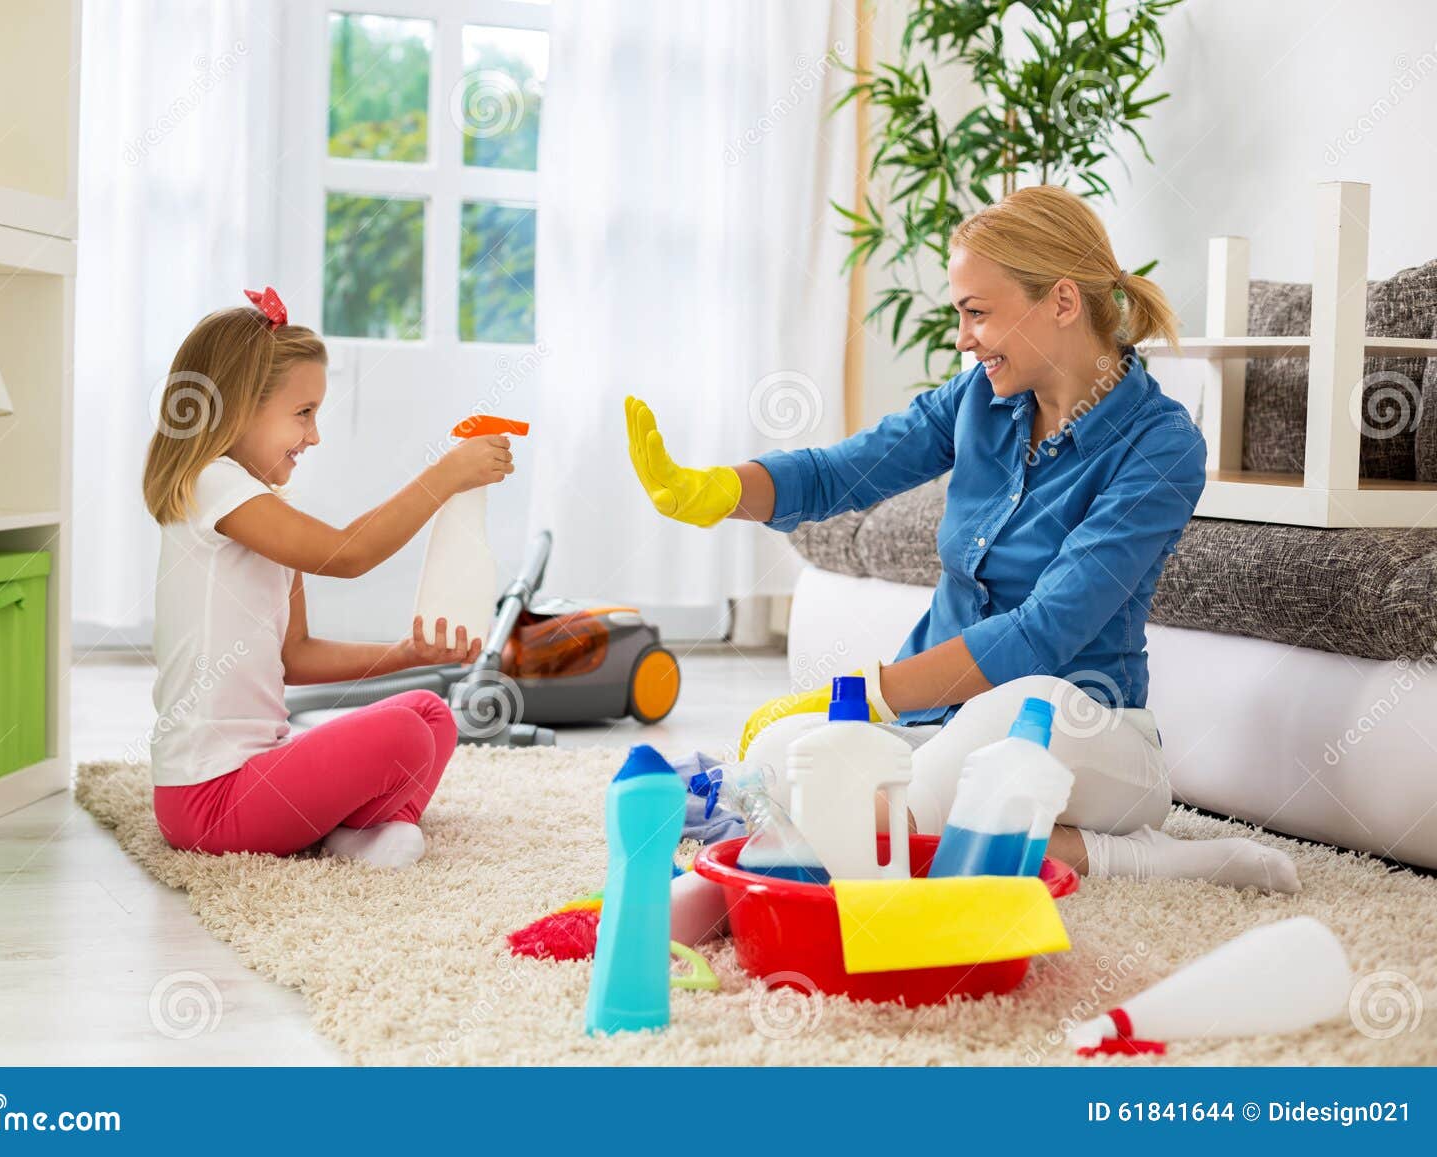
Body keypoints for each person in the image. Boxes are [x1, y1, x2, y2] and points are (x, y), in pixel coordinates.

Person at [625, 187, 1298, 893]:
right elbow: (842, 473)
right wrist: (718, 490)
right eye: (960, 313)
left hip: (1083, 729)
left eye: (978, 313)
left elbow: (1042, 632)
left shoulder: (1161, 445)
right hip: (939, 729)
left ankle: (1153, 855)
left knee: (988, 730)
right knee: (778, 755)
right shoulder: (981, 397)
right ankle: (1045, 846)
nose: (963, 336)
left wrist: (867, 695)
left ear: (1063, 302)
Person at [141, 290, 514, 867]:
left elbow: (295, 655)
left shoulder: (257, 508)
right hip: (205, 799)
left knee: (427, 714)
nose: (314, 436)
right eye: (303, 413)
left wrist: (407, 653)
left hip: (257, 771)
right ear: (238, 410)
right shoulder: (211, 484)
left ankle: (348, 833)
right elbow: (347, 554)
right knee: (403, 739)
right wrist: (447, 474)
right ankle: (362, 830)